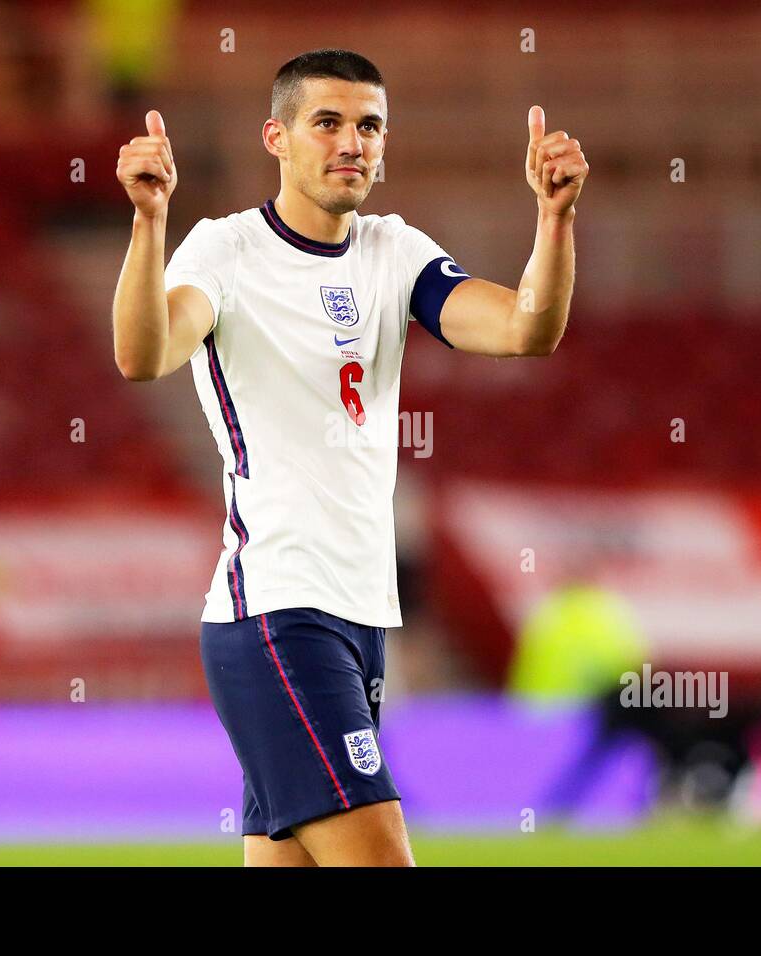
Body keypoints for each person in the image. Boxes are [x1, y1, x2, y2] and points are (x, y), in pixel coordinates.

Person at [111, 49, 588, 866]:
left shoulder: (392, 252)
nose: (352, 142)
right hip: (276, 614)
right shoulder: (224, 252)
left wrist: (554, 221)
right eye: (327, 122)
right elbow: (143, 353)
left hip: (360, 617)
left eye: (369, 126)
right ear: (277, 137)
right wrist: (149, 225)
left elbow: (524, 329)